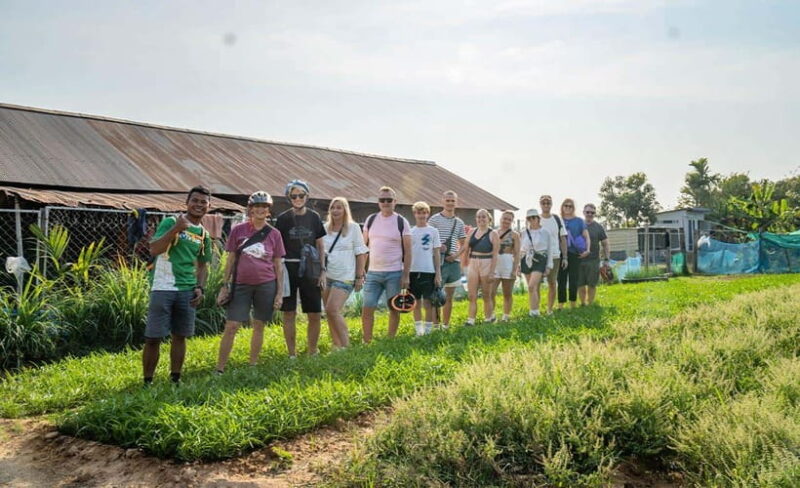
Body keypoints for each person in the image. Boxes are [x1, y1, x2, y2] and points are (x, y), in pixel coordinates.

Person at [142, 186, 212, 385]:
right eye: (195, 200)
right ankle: (147, 381)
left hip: (187, 291)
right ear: (187, 203)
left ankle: (175, 378)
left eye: (203, 202)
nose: (199, 205)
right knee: (153, 337)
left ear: (208, 206)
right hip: (162, 288)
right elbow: (154, 249)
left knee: (180, 336)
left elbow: (203, 265)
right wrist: (176, 230)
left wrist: (200, 288)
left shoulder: (204, 234)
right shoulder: (171, 222)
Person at [214, 191, 284, 374]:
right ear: (251, 209)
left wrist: (279, 293)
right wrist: (224, 285)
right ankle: (220, 368)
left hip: (266, 284)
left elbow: (278, 265)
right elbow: (230, 260)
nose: (260, 210)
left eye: (264, 207)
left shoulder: (274, 234)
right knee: (232, 325)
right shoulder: (238, 230)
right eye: (257, 206)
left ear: (268, 210)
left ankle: (252, 365)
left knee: (259, 324)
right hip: (241, 284)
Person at [275, 180, 327, 357]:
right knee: (289, 312)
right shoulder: (283, 219)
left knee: (314, 312)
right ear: (289, 198)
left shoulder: (314, 217)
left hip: (310, 267)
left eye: (301, 195)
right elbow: (277, 247)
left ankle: (312, 351)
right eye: (294, 196)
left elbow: (320, 245)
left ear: (307, 196)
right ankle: (292, 354)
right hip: (288, 266)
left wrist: (322, 271)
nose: (298, 199)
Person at [362, 186, 412, 343]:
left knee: (394, 308)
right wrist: (361, 270)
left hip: (394, 273)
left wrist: (406, 276)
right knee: (367, 307)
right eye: (382, 200)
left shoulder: (401, 222)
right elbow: (363, 248)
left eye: (389, 200)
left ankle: (390, 340)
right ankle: (367, 341)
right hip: (372, 273)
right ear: (378, 202)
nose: (385, 203)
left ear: (395, 202)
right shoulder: (370, 220)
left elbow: (408, 252)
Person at [322, 197, 368, 349]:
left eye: (339, 207)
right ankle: (336, 345)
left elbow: (361, 253)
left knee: (333, 309)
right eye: (333, 207)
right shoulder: (324, 228)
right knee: (329, 312)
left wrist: (359, 277)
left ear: (345, 210)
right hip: (327, 276)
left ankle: (346, 346)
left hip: (345, 276)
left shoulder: (353, 228)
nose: (335, 210)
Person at [428, 190, 467, 329]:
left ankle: (445, 325)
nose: (450, 203)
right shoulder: (434, 220)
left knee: (449, 296)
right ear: (442, 201)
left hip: (453, 263)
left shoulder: (459, 222)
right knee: (435, 295)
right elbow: (427, 239)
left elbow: (463, 244)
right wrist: (438, 247)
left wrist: (455, 256)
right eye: (447, 200)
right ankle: (435, 326)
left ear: (456, 203)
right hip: (438, 262)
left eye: (452, 201)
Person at [409, 201, 442, 335]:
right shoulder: (410, 232)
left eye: (424, 213)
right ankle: (419, 331)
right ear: (414, 214)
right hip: (413, 271)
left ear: (428, 214)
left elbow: (436, 253)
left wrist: (438, 273)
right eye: (419, 213)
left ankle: (428, 331)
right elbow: (406, 253)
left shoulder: (433, 231)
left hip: (428, 271)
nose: (421, 215)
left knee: (428, 302)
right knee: (415, 302)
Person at [463, 209, 499, 325]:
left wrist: (492, 272)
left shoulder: (493, 234)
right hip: (473, 262)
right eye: (478, 217)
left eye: (483, 217)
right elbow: (465, 248)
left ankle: (488, 318)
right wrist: (462, 263)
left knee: (486, 294)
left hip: (487, 262)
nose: (481, 219)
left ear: (489, 219)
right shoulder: (471, 232)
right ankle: (471, 320)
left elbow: (495, 255)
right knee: (472, 295)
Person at [557, 198, 590, 309]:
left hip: (575, 253)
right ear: (562, 207)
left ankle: (573, 303)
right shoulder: (558, 220)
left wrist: (587, 250)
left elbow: (586, 236)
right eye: (565, 205)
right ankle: (561, 304)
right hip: (560, 253)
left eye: (570, 206)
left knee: (573, 279)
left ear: (573, 208)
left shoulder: (579, 221)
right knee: (561, 279)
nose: (568, 208)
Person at [519, 209, 553, 317]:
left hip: (540, 259)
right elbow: (521, 249)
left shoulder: (545, 232)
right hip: (526, 259)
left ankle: (534, 312)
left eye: (533, 217)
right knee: (532, 288)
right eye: (529, 218)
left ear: (538, 218)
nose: (532, 220)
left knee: (531, 286)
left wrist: (549, 266)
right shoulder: (524, 232)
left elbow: (550, 249)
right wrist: (518, 265)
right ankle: (534, 310)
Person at [539, 195, 567, 314]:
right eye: (543, 203)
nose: (546, 205)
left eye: (548, 203)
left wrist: (565, 257)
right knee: (535, 284)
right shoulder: (536, 219)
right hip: (539, 256)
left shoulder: (557, 219)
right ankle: (535, 309)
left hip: (555, 256)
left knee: (552, 283)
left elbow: (563, 238)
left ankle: (549, 309)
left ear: (551, 204)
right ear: (540, 204)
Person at [491, 210, 520, 322]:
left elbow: (517, 253)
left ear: (512, 221)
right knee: (491, 292)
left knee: (507, 293)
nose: (506, 221)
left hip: (508, 264)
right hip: (495, 264)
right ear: (500, 219)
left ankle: (506, 316)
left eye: (509, 219)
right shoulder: (494, 233)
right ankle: (491, 315)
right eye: (505, 218)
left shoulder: (515, 235)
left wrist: (515, 269)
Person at [578, 203, 609, 306]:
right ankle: (583, 304)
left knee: (592, 284)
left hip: (593, 260)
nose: (590, 214)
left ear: (595, 214)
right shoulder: (578, 225)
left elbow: (605, 244)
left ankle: (590, 305)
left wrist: (606, 260)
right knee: (580, 284)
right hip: (578, 260)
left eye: (592, 213)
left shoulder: (598, 227)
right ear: (583, 212)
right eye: (588, 212)